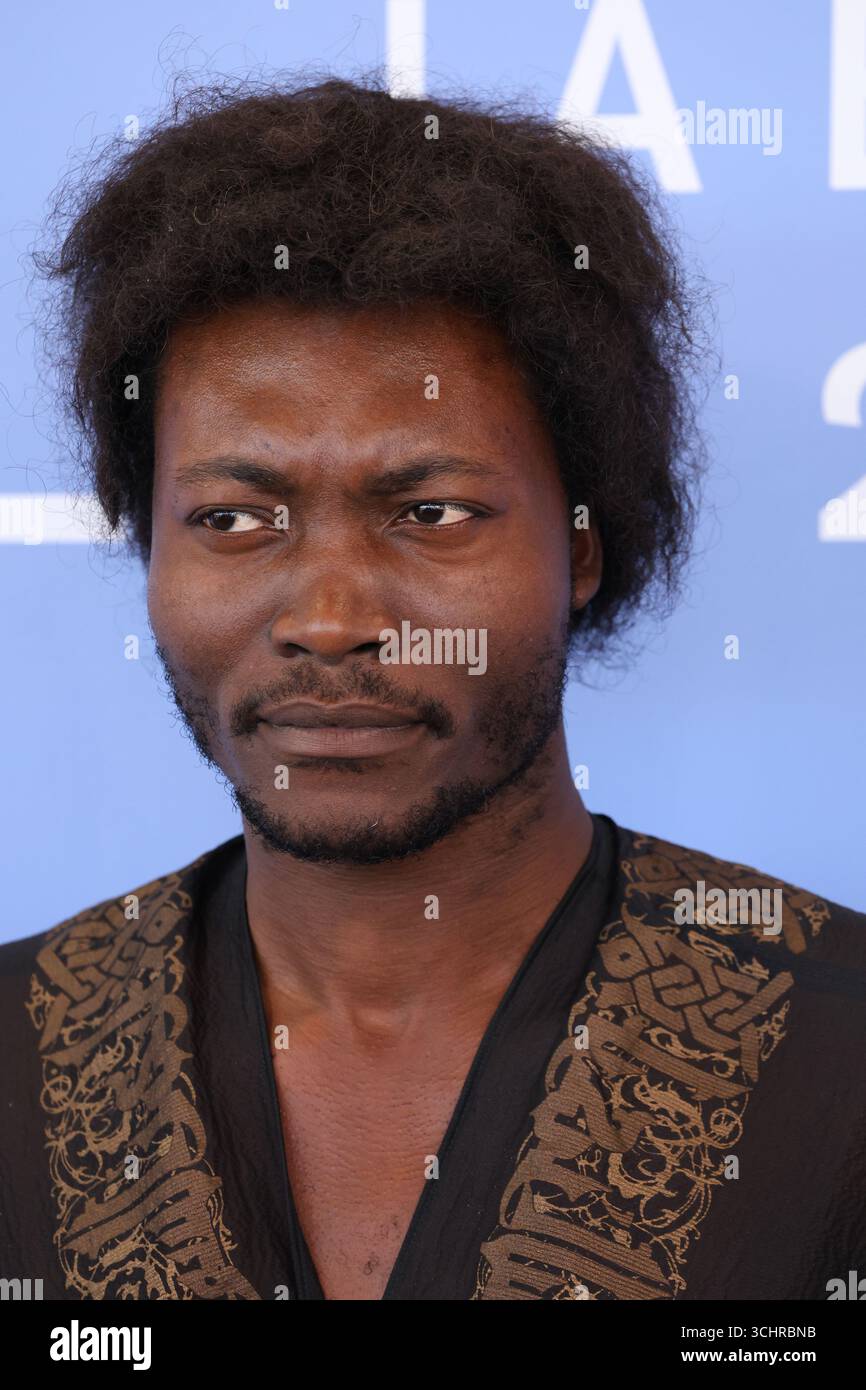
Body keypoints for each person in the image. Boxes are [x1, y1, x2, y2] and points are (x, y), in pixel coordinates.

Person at [1, 74, 863, 1303]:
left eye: (431, 512)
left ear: (579, 545)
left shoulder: (837, 1057)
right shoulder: (17, 1052)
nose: (331, 622)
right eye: (236, 517)